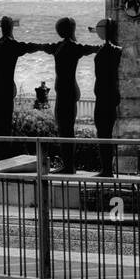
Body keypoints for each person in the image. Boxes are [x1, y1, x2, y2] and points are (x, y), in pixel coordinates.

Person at [0, 16, 45, 139]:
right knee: (6, 123)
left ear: (2, 27)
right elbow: (32, 47)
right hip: (9, 88)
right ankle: (5, 151)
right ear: (11, 28)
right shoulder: (14, 45)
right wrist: (47, 46)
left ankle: (1, 150)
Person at [42, 17, 99, 174]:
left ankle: (69, 166)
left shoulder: (71, 47)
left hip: (67, 93)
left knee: (66, 129)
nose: (57, 31)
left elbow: (93, 48)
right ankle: (67, 165)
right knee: (63, 128)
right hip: (64, 92)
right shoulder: (62, 46)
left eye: (59, 28)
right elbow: (93, 48)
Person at [91, 18, 123, 177]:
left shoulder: (104, 51)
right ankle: (107, 169)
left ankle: (106, 169)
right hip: (110, 96)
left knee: (103, 133)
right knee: (106, 133)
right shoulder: (117, 50)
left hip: (103, 97)